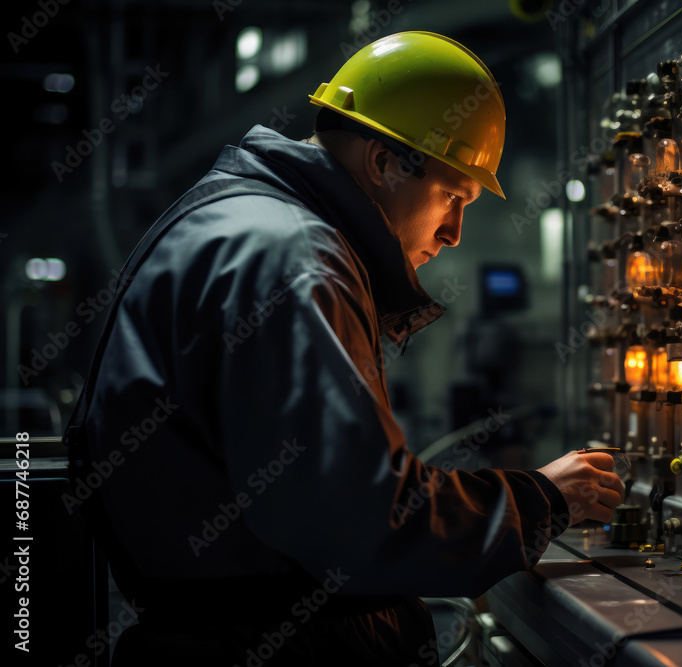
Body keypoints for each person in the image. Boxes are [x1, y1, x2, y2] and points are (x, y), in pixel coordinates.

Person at [66, 31, 624, 666]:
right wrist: (542, 498)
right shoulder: (297, 259)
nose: (454, 233)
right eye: (451, 196)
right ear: (384, 163)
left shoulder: (243, 223)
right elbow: (361, 521)